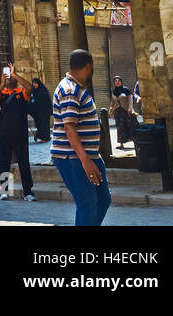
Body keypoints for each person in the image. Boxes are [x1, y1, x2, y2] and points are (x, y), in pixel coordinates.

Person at [52, 49, 111, 227]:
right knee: (87, 204)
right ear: (88, 66)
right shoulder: (70, 90)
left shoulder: (77, 87)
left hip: (87, 156)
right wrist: (84, 159)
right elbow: (69, 128)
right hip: (72, 157)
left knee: (103, 199)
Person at [0, 63, 36, 201]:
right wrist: (2, 83)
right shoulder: (2, 93)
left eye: (10, 74)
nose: (9, 77)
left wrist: (15, 75)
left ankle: (28, 192)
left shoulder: (21, 93)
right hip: (4, 133)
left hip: (20, 133)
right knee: (4, 163)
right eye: (6, 74)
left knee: (24, 162)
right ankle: (4, 191)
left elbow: (29, 88)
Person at [110, 77, 134, 150]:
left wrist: (130, 108)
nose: (117, 82)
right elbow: (112, 102)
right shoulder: (114, 91)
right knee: (119, 127)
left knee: (129, 126)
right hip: (117, 111)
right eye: (116, 81)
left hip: (126, 110)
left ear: (121, 82)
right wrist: (110, 110)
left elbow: (130, 100)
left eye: (119, 81)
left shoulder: (125, 90)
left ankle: (135, 142)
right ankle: (121, 144)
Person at [29, 78, 52, 143]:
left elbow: (47, 101)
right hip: (37, 112)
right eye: (33, 83)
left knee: (44, 125)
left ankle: (45, 138)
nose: (34, 85)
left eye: (35, 83)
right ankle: (39, 135)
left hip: (44, 112)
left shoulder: (43, 91)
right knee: (39, 125)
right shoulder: (33, 91)